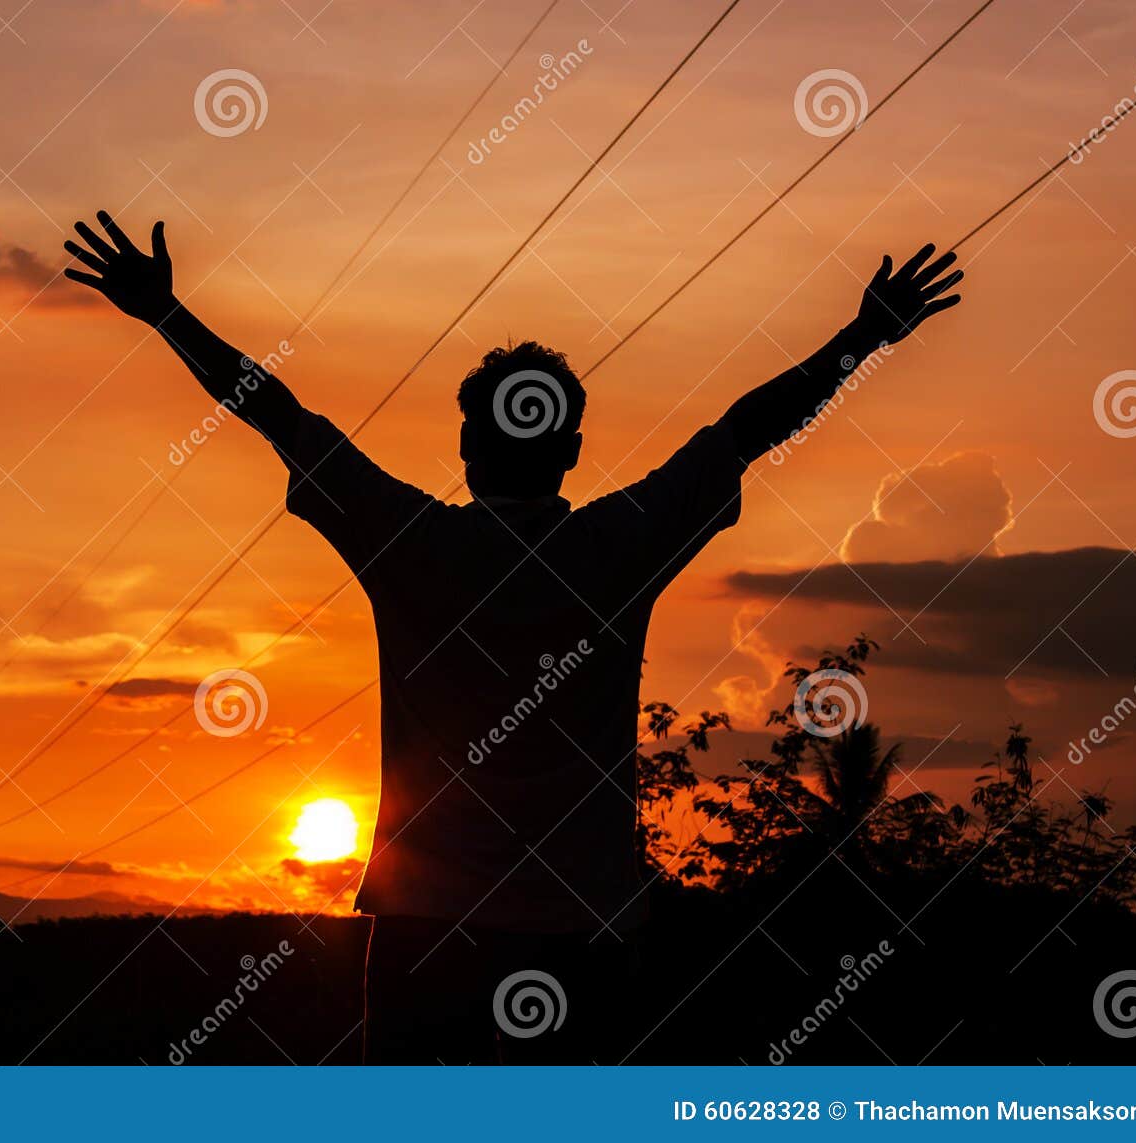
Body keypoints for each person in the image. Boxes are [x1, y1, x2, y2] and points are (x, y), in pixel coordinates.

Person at [64, 213, 963, 1063]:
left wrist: (166, 314)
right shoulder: (619, 545)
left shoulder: (411, 542)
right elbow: (745, 431)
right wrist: (864, 337)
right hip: (578, 928)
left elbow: (279, 416)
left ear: (466, 446)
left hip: (424, 928)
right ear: (570, 450)